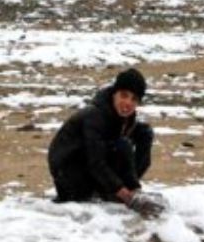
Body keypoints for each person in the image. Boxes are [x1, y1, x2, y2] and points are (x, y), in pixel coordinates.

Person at [48, 68, 165, 217]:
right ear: (115, 93)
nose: (128, 103)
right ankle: (126, 194)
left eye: (134, 99)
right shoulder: (95, 116)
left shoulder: (125, 118)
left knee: (144, 133)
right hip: (70, 178)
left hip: (90, 171)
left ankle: (130, 190)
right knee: (123, 145)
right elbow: (95, 162)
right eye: (124, 95)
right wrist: (127, 197)